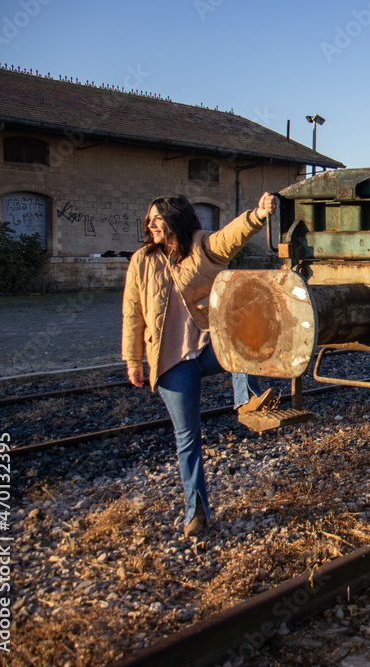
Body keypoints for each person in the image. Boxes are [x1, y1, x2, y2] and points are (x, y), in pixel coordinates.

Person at [122, 193, 276, 538]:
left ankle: (245, 399)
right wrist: (132, 359)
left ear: (174, 219)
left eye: (157, 218)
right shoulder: (142, 261)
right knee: (188, 438)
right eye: (149, 220)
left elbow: (229, 236)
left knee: (240, 333)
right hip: (170, 361)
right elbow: (132, 314)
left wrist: (258, 216)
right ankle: (197, 513)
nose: (151, 224)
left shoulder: (201, 247)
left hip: (208, 347)